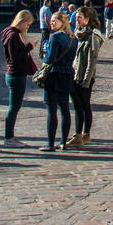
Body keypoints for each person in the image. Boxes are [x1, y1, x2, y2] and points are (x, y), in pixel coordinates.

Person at [67, 5, 104, 148]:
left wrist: (86, 80)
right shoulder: (78, 33)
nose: (76, 20)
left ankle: (83, 134)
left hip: (84, 77)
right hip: (76, 73)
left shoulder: (92, 37)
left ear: (87, 19)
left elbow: (92, 60)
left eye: (79, 18)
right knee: (78, 106)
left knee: (83, 105)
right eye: (76, 17)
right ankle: (80, 134)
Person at [40, 12, 76, 152]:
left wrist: (46, 51)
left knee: (52, 109)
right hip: (67, 74)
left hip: (55, 75)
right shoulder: (73, 38)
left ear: (62, 22)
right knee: (64, 109)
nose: (52, 23)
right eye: (52, 21)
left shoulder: (55, 37)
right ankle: (63, 142)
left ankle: (50, 143)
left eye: (55, 21)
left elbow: (50, 59)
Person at [1, 10, 36, 147]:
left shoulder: (12, 34)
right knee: (14, 107)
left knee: (15, 106)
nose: (27, 27)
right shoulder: (13, 36)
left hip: (15, 74)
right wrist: (28, 47)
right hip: (16, 74)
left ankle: (10, 136)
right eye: (27, 24)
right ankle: (8, 137)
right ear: (21, 21)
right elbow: (15, 56)